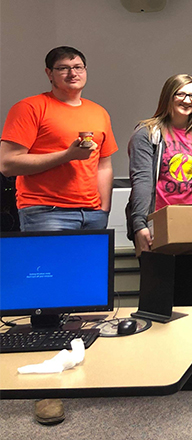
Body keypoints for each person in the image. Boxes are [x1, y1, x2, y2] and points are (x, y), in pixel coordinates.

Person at [0, 45, 118, 427]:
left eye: (78, 66)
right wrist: (64, 156)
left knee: (85, 301)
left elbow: (104, 162)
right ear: (49, 73)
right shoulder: (30, 108)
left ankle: (81, 376)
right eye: (63, 68)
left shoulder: (97, 111)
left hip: (89, 215)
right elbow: (8, 163)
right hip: (45, 211)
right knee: (47, 306)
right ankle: (46, 392)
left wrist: (102, 208)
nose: (72, 73)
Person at [127, 74, 192, 306]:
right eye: (181, 94)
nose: (187, 100)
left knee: (185, 292)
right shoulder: (147, 133)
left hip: (191, 223)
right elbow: (142, 180)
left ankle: (189, 343)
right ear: (168, 96)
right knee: (158, 295)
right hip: (156, 223)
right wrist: (139, 224)